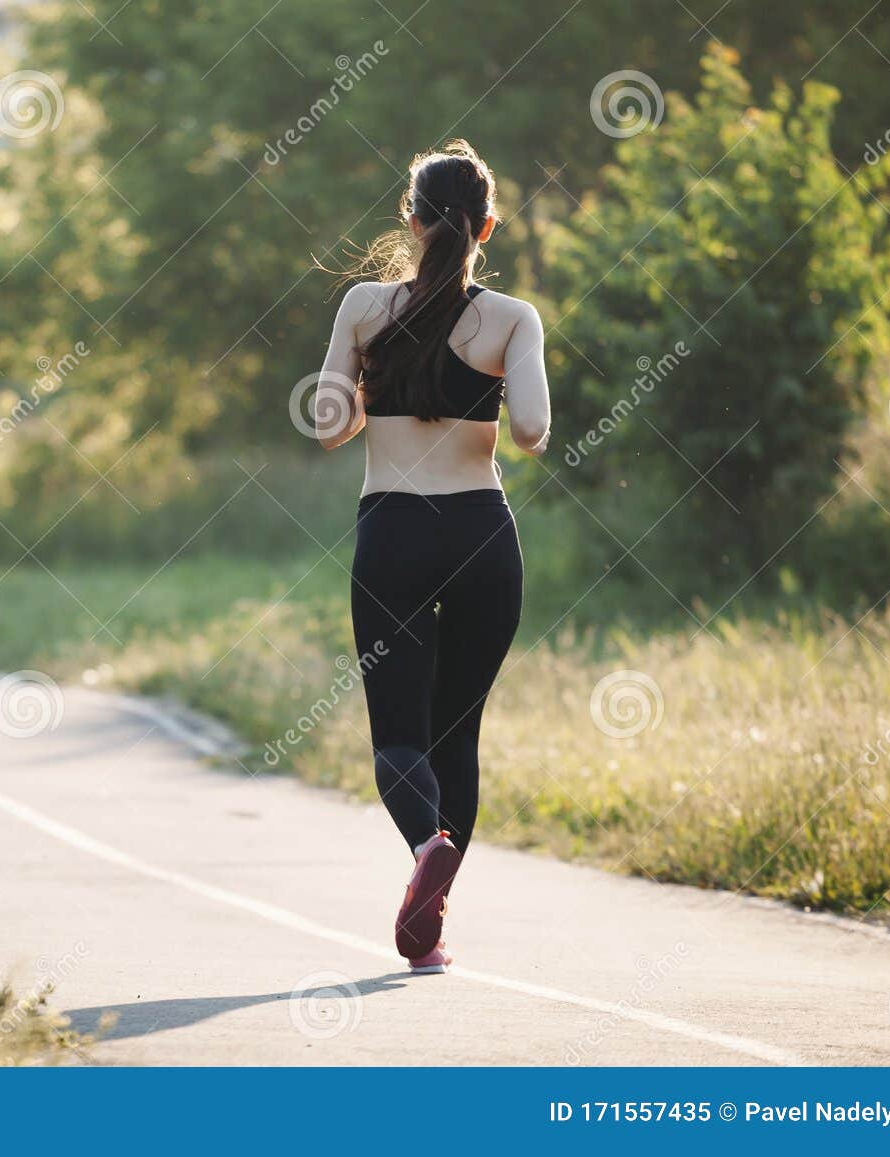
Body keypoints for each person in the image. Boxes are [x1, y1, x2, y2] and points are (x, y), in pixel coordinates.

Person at [313, 141, 551, 974]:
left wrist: (373, 381)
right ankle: (432, 923)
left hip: (394, 534)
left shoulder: (362, 306)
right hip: (483, 536)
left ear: (409, 222)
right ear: (488, 226)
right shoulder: (514, 317)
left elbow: (327, 424)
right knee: (460, 731)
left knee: (399, 736)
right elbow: (529, 431)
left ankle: (427, 848)